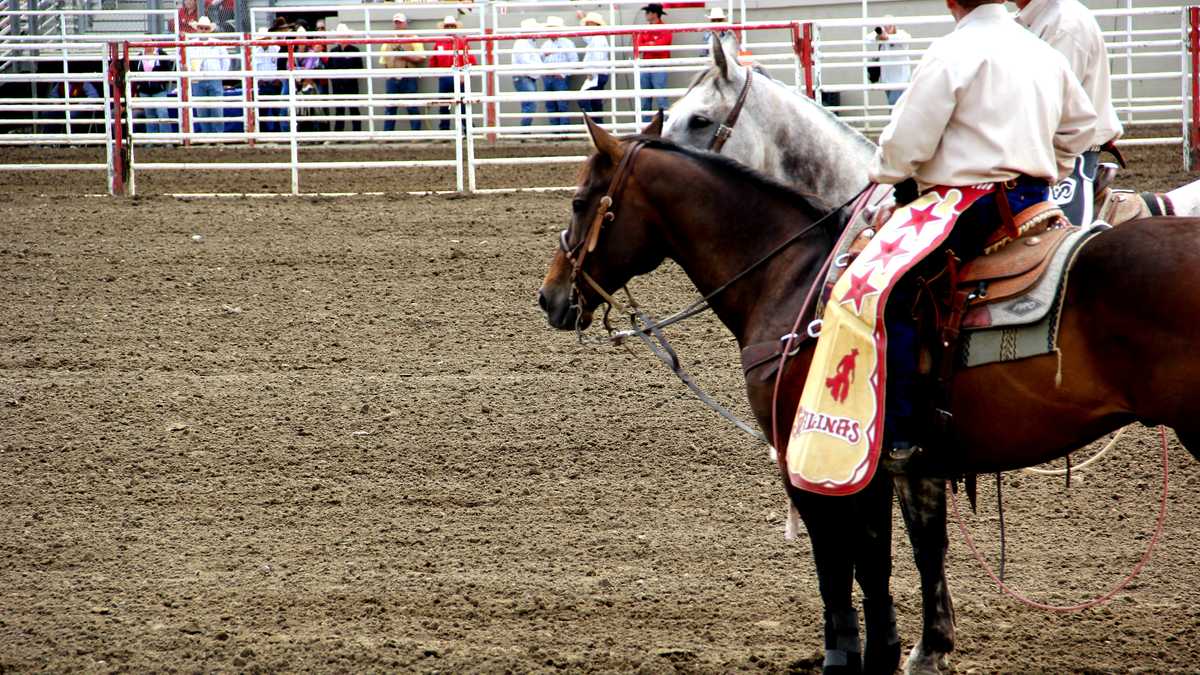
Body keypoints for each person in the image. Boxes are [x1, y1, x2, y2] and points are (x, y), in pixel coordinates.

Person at [794, 0, 1096, 469]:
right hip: (1035, 200)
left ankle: (900, 434)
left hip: (970, 205)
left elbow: (906, 144)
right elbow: (1085, 127)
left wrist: (886, 170)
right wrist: (1049, 164)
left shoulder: (953, 51)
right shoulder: (1043, 52)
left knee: (884, 291)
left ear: (951, 2)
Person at [1013, 0, 1124, 225]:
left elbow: (1054, 104)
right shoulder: (1043, 19)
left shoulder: (1064, 25)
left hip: (1067, 154)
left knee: (1061, 242)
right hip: (1056, 150)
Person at [429, 15, 477, 132]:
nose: (450, 28)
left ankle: (467, 129)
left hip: (459, 77)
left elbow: (471, 61)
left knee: (462, 105)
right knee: (444, 104)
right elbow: (433, 61)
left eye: (452, 26)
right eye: (448, 26)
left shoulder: (461, 42)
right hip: (445, 77)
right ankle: (445, 129)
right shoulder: (439, 43)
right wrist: (437, 73)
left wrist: (464, 75)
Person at [380, 13, 426, 132]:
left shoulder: (413, 38)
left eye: (400, 22)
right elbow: (384, 60)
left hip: (408, 74)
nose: (398, 24)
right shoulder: (388, 40)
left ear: (405, 23)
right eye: (396, 22)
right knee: (390, 107)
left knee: (411, 106)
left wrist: (404, 56)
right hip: (392, 75)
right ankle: (388, 135)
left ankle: (415, 134)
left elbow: (421, 58)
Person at [185, 16, 231, 134]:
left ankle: (217, 135)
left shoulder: (217, 43)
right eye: (201, 28)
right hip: (198, 79)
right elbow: (187, 62)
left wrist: (221, 75)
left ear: (209, 29)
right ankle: (207, 135)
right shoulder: (191, 44)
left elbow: (226, 61)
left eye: (205, 28)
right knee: (202, 110)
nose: (203, 30)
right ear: (198, 29)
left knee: (217, 109)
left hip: (214, 78)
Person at [634, 3, 672, 122]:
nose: (646, 15)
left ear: (654, 14)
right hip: (648, 64)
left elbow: (661, 45)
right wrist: (651, 45)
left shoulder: (663, 28)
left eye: (648, 12)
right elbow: (639, 45)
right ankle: (648, 125)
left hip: (656, 64)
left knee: (660, 98)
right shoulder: (648, 29)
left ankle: (663, 125)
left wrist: (648, 45)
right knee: (646, 99)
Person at [539, 16, 578, 126]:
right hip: (548, 77)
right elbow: (539, 59)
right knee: (551, 105)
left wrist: (563, 73)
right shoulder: (545, 44)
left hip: (559, 78)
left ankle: (563, 130)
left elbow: (574, 61)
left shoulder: (567, 43)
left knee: (562, 105)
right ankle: (556, 131)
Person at [328, 23, 364, 133]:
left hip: (351, 84)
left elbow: (359, 68)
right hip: (338, 85)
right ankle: (338, 133)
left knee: (353, 108)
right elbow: (329, 68)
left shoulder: (354, 50)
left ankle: (356, 133)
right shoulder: (333, 51)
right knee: (339, 109)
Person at [132, 47, 176, 135]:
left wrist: (161, 82)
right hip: (145, 91)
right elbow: (135, 71)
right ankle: (152, 139)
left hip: (159, 90)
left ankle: (167, 139)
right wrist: (139, 85)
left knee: (162, 114)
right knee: (150, 115)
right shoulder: (139, 56)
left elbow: (168, 68)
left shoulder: (161, 54)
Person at [868, 16, 911, 106]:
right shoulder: (881, 38)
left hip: (900, 81)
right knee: (894, 105)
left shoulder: (901, 34)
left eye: (889, 26)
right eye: (885, 26)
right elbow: (868, 38)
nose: (887, 29)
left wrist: (887, 38)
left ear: (894, 26)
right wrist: (879, 35)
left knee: (894, 104)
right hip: (887, 81)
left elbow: (906, 38)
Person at [576, 12, 611, 121]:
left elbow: (598, 57)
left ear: (594, 24)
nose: (586, 25)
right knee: (595, 102)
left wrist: (591, 71)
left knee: (584, 98)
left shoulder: (598, 38)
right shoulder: (597, 37)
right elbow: (586, 37)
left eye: (588, 23)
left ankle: (593, 122)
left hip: (596, 74)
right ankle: (597, 124)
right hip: (599, 73)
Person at [511, 18, 543, 127]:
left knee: (529, 105)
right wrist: (541, 69)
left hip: (526, 77)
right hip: (524, 77)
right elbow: (526, 61)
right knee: (530, 105)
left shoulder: (526, 43)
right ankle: (525, 130)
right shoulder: (522, 43)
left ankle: (525, 131)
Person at [252, 25, 284, 134]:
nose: (264, 41)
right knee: (262, 110)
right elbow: (253, 68)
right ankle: (263, 131)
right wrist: (258, 80)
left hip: (275, 84)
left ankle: (277, 131)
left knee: (276, 109)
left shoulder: (277, 50)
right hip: (262, 85)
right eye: (262, 39)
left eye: (266, 39)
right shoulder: (256, 52)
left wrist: (279, 79)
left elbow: (280, 66)